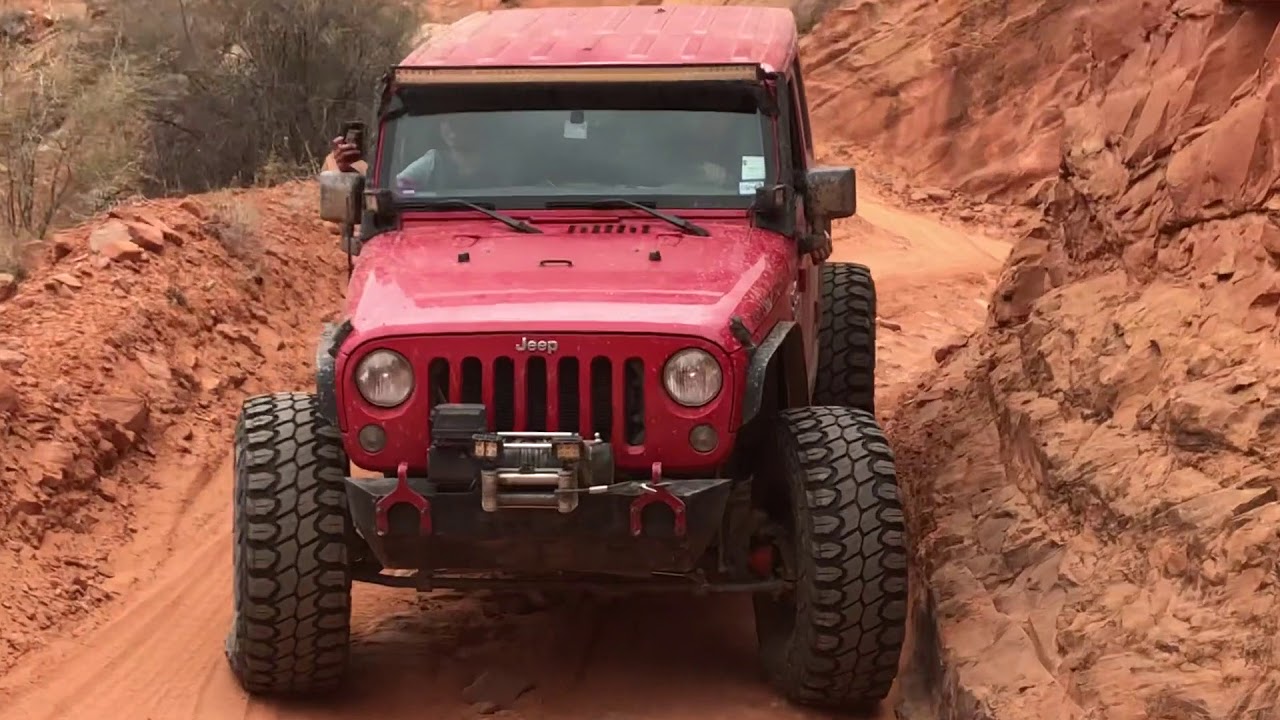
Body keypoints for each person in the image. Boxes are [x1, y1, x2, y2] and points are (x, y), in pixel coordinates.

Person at [331, 116, 497, 194]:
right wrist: (349, 170)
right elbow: (392, 192)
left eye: (460, 122)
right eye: (446, 122)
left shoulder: (497, 163)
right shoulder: (433, 162)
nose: (451, 129)